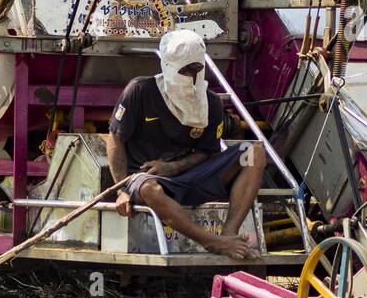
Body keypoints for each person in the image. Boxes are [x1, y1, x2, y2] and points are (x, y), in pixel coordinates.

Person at [107, 29, 264, 259]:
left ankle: (229, 232)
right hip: (145, 178)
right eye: (185, 70)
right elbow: (115, 140)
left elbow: (207, 153)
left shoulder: (210, 101)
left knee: (255, 153)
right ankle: (212, 242)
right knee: (151, 189)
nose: (191, 77)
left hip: (191, 175)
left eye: (197, 69)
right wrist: (122, 189)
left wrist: (174, 167)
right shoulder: (140, 91)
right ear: (169, 67)